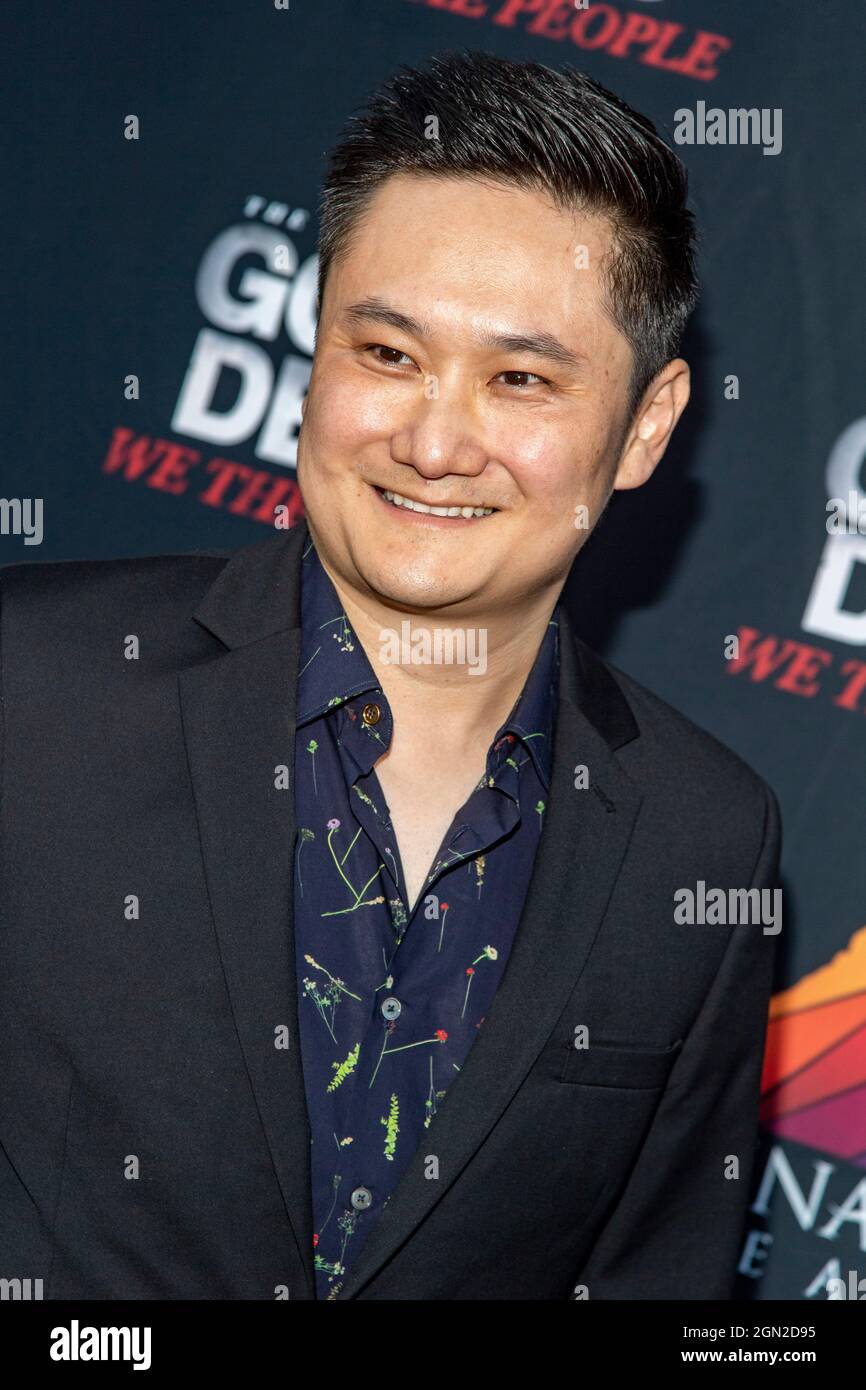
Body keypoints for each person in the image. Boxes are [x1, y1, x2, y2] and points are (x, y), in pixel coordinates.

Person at [0, 51, 781, 1301]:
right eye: (386, 352)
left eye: (519, 378)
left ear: (643, 425)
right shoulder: (31, 691)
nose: (430, 439)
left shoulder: (702, 838)